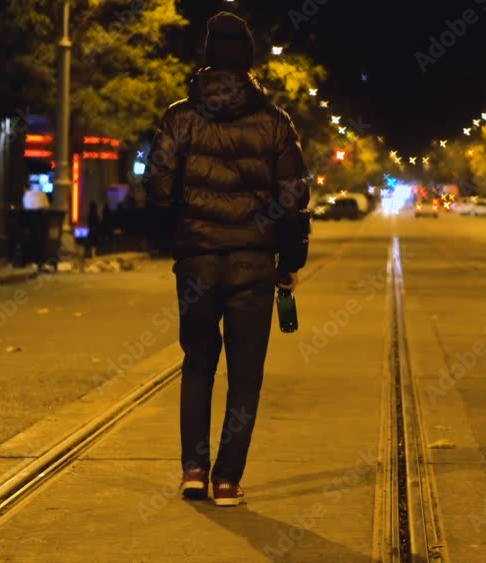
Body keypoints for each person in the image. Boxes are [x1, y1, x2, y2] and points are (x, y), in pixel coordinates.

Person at [144, 11, 311, 508]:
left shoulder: (179, 117)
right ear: (251, 59)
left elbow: (156, 187)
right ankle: (226, 480)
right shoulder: (275, 122)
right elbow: (293, 197)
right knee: (245, 376)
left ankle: (193, 470)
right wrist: (290, 259)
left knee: (197, 363)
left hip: (197, 262)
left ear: (208, 56)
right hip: (253, 264)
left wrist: (176, 234)